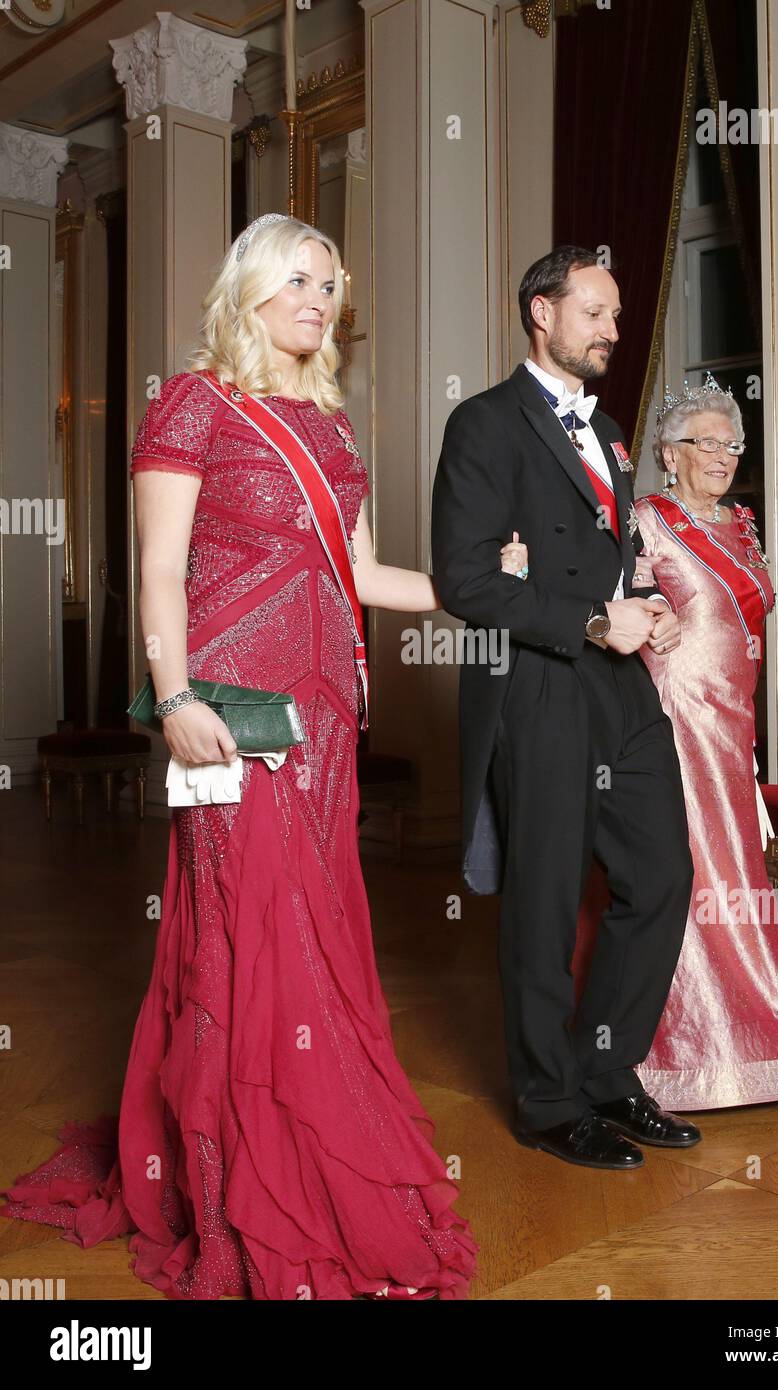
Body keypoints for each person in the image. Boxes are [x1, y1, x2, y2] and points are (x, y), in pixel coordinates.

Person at [0, 215, 528, 1300]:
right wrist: (175, 695)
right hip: (234, 710)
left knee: (316, 928)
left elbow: (367, 574)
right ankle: (247, 1188)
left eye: (329, 283)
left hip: (325, 713)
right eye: (296, 278)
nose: (317, 299)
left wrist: (479, 583)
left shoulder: (331, 427)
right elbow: (157, 571)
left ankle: (307, 1152)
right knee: (251, 927)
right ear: (245, 288)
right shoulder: (191, 402)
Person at [431, 245, 702, 1171]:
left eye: (618, 317)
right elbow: (465, 580)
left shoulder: (613, 429)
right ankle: (548, 1100)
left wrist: (645, 609)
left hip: (621, 687)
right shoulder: (483, 424)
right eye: (596, 313)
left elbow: (610, 557)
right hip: (540, 682)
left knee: (662, 873)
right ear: (541, 313)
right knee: (544, 902)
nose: (613, 332)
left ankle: (607, 1070)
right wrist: (592, 619)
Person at [575, 374, 778, 1109]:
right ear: (669, 452)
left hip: (733, 720)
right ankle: (677, 1049)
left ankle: (754, 1027)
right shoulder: (648, 518)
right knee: (688, 865)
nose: (723, 455)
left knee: (733, 863)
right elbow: (616, 598)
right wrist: (651, 608)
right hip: (672, 716)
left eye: (733, 443)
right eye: (706, 443)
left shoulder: (740, 523)